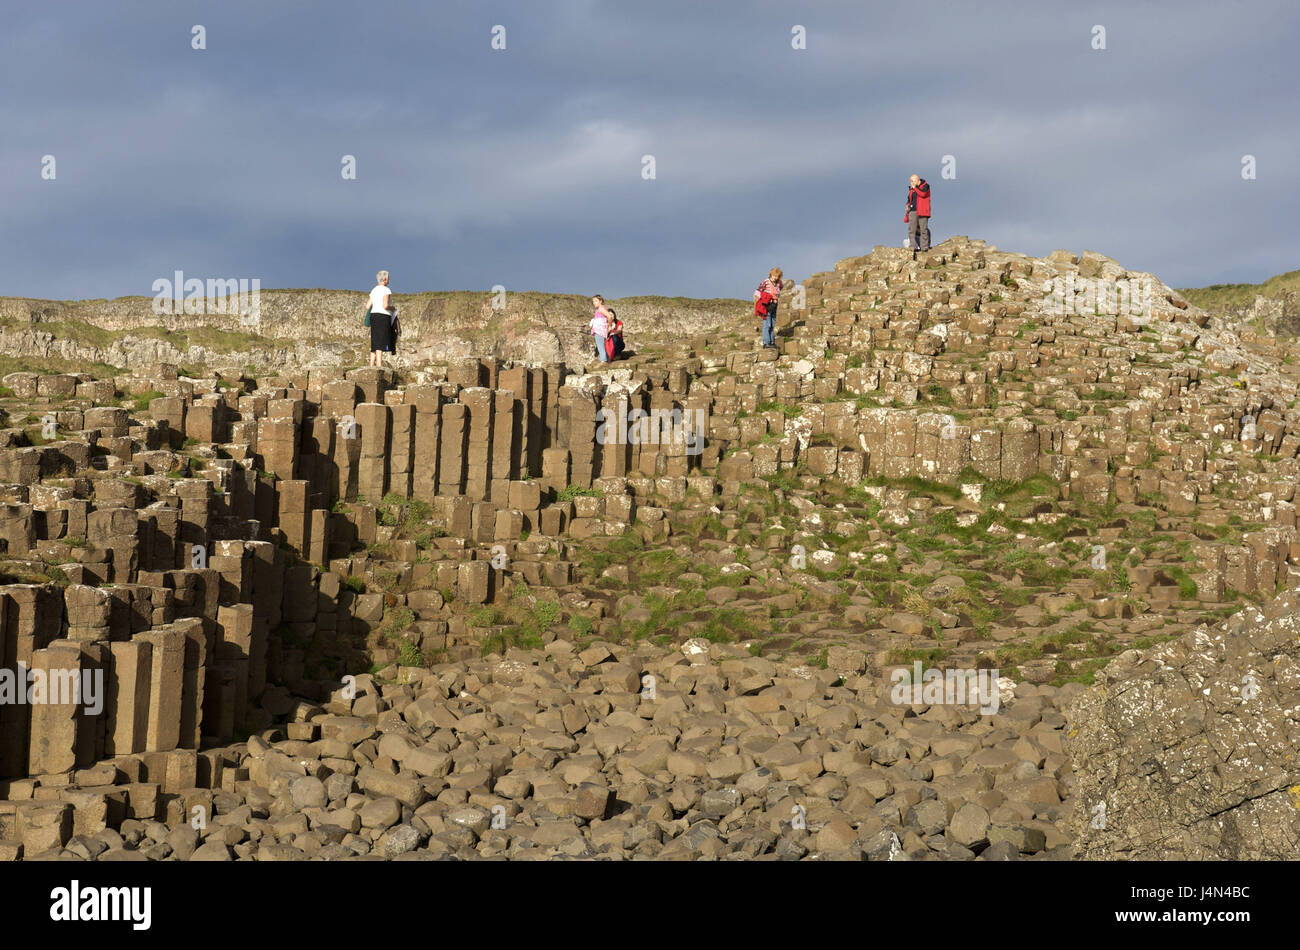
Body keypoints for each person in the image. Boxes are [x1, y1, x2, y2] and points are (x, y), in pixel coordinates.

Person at [368, 270, 397, 367]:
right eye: (388, 278)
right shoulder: (386, 290)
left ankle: (371, 364)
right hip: (383, 316)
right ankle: (379, 364)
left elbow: (367, 306)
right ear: (385, 279)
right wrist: (392, 308)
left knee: (375, 340)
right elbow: (385, 305)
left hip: (374, 315)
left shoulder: (374, 290)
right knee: (381, 340)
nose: (389, 280)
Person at [753, 267, 783, 349]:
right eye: (774, 276)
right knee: (767, 324)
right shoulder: (766, 282)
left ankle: (772, 342)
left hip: (774, 305)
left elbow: (779, 291)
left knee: (772, 324)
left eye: (777, 276)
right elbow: (757, 292)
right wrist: (766, 298)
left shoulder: (779, 283)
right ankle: (766, 343)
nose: (775, 278)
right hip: (767, 305)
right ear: (771, 274)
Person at [906, 174, 931, 257]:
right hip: (913, 211)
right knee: (911, 230)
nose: (911, 183)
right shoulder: (912, 189)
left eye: (912, 181)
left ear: (917, 180)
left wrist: (915, 188)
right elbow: (909, 199)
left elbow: (923, 194)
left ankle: (924, 248)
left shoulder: (925, 186)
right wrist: (907, 205)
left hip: (923, 211)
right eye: (910, 181)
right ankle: (913, 247)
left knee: (923, 229)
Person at [588, 295, 613, 363]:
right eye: (593, 301)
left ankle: (603, 361)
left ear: (601, 301)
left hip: (599, 330)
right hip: (600, 329)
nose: (594, 303)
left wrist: (610, 326)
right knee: (602, 345)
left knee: (600, 345)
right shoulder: (600, 309)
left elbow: (609, 316)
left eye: (596, 301)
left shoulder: (601, 308)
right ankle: (607, 359)